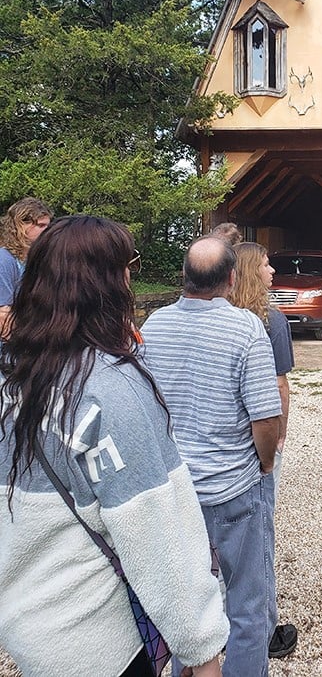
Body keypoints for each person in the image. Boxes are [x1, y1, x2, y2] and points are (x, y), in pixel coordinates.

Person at [0, 216, 225, 677]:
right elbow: (157, 533)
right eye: (129, 266)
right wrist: (201, 651)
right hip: (99, 642)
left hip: (29, 627)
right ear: (109, 281)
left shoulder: (12, 378)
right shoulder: (110, 389)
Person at [140, 236, 297, 677]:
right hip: (232, 490)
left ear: (184, 278)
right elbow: (266, 418)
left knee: (187, 598)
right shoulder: (246, 328)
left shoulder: (154, 326)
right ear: (231, 279)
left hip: (174, 491)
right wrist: (265, 464)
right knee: (248, 604)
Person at [229, 242, 293, 500]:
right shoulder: (273, 321)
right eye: (266, 264)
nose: (272, 270)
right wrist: (280, 432)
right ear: (252, 271)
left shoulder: (220, 315)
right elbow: (280, 386)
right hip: (259, 425)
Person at [0, 197, 52, 335]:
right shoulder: (4, 260)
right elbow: (4, 316)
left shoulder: (37, 258)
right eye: (41, 225)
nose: (47, 231)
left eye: (48, 226)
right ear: (21, 225)